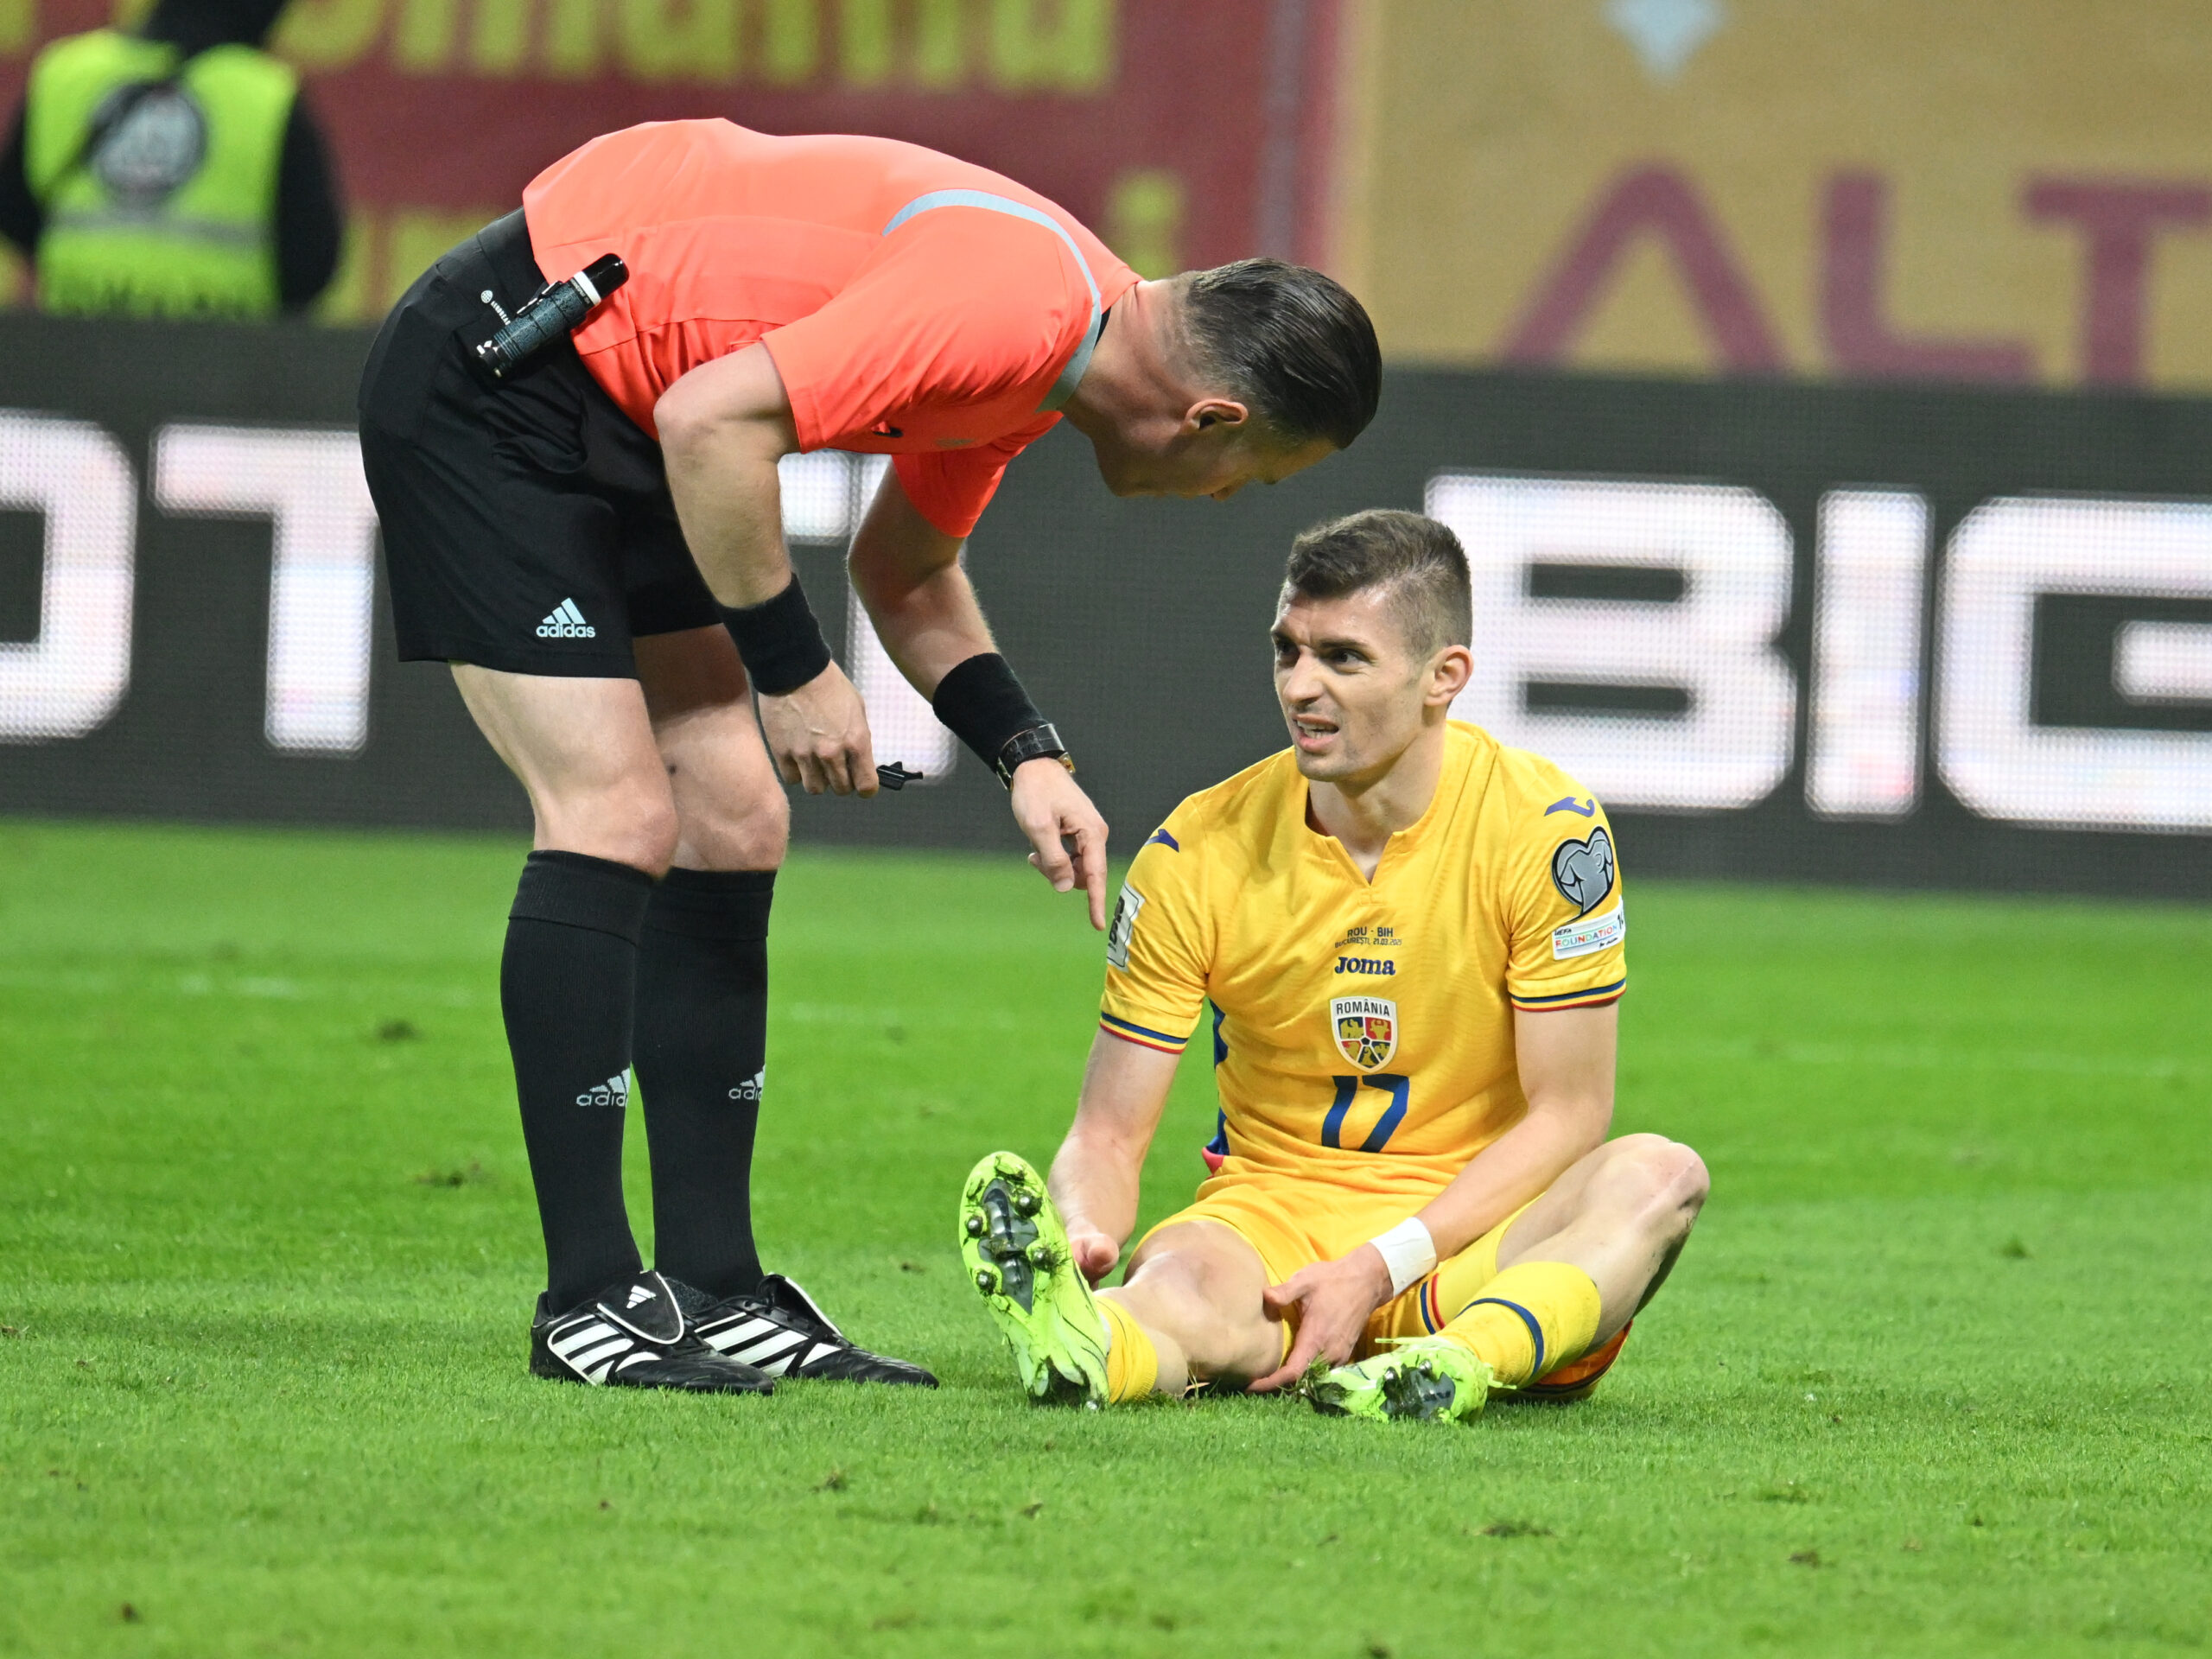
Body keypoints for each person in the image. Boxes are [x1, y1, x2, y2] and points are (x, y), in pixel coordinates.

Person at [353, 119, 1382, 1395]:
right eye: (1253, 474)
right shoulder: (1012, 310)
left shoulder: (1062, 344)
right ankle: (590, 1300)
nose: (1229, 497)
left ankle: (716, 1285)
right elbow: (713, 421)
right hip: (504, 380)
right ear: (1211, 414)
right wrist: (792, 672)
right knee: (615, 813)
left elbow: (907, 570)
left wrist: (1027, 755)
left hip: (630, 404)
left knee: (733, 820)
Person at [958, 509, 1707, 1423]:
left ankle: (1453, 1365)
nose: (1301, 687)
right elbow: (1108, 1135)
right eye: (1288, 651)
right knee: (1178, 1283)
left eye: (1342, 659)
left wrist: (1379, 1267)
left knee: (1660, 1176)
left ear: (1444, 679)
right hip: (1275, 1231)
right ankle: (1083, 1342)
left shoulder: (1546, 831)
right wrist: (1083, 1227)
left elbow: (1571, 1112)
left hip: (1469, 1242)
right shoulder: (1197, 853)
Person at [0, 0, 344, 317]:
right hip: (222, 365)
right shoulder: (269, 97)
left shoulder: (65, 73)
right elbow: (311, 265)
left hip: (74, 354)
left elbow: (14, 213)